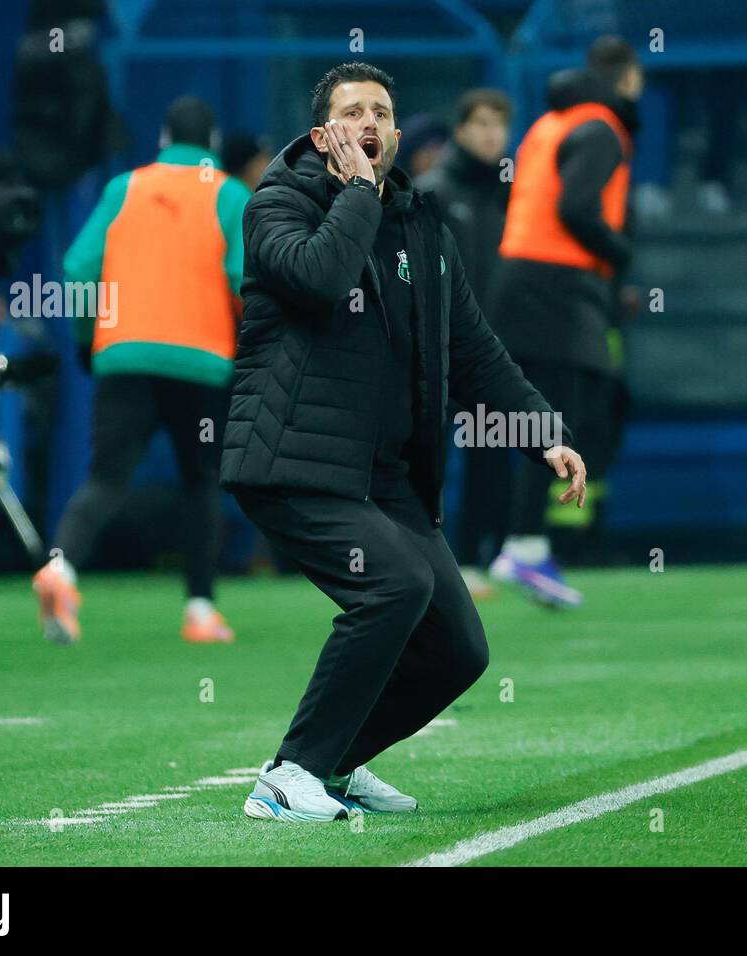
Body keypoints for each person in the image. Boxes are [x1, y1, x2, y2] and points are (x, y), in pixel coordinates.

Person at [221, 62, 586, 822]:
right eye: (352, 112)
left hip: (384, 474)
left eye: (382, 112)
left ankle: (339, 763)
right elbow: (319, 278)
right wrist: (357, 193)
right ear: (323, 135)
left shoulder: (422, 225)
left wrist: (543, 432)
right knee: (393, 585)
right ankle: (289, 775)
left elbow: (473, 349)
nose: (370, 124)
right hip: (293, 459)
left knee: (460, 649)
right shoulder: (276, 204)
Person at [31, 96, 250, 643]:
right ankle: (200, 611)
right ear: (214, 142)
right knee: (200, 482)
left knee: (105, 479)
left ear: (161, 137)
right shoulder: (230, 193)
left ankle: (61, 569)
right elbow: (247, 279)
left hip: (124, 353)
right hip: (202, 362)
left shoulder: (123, 187)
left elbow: (80, 266)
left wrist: (89, 340)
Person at [486, 35, 643, 607]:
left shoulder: (549, 123)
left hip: (523, 277)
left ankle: (522, 543)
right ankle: (524, 546)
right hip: (557, 283)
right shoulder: (603, 128)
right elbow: (575, 208)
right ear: (627, 79)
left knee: (541, 414)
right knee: (559, 413)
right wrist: (618, 255)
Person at [416, 88, 513, 598]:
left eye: (498, 125)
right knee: (426, 458)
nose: (491, 135)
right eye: (480, 124)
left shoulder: (512, 194)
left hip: (491, 350)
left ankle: (485, 558)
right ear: (460, 130)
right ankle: (424, 559)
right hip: (437, 346)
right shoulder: (432, 191)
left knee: (491, 453)